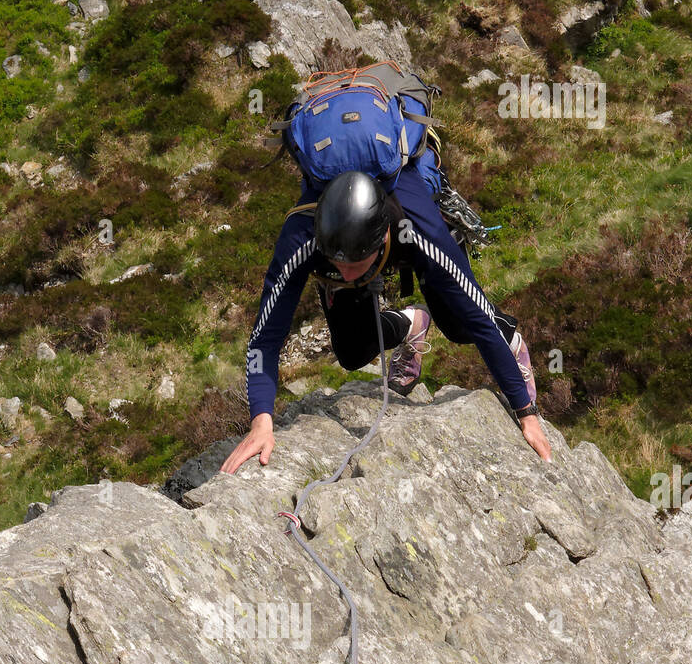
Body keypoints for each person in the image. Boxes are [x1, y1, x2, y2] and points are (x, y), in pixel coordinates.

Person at [221, 167, 551, 474]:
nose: (347, 275)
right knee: (352, 352)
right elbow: (264, 339)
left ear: (379, 243)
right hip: (349, 246)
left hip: (409, 236)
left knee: (461, 324)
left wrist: (525, 411)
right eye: (339, 265)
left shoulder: (421, 230)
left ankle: (511, 341)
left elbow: (478, 313)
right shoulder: (302, 237)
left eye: (355, 264)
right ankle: (412, 323)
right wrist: (261, 421)